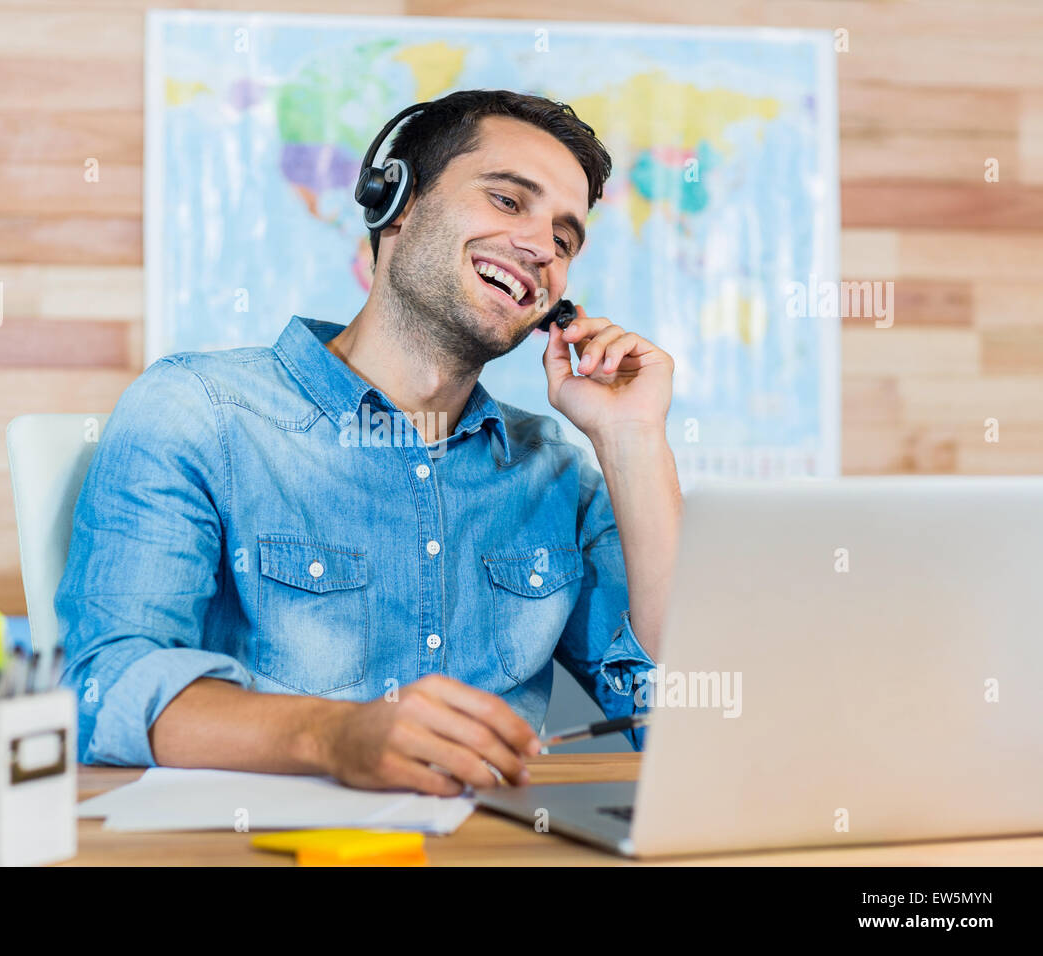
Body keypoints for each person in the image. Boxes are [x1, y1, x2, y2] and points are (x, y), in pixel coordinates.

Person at [55, 89, 683, 796]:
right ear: (399, 202)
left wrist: (633, 440)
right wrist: (334, 737)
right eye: (508, 201)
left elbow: (680, 716)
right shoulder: (200, 413)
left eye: (565, 240)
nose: (541, 248)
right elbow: (100, 692)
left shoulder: (553, 472)